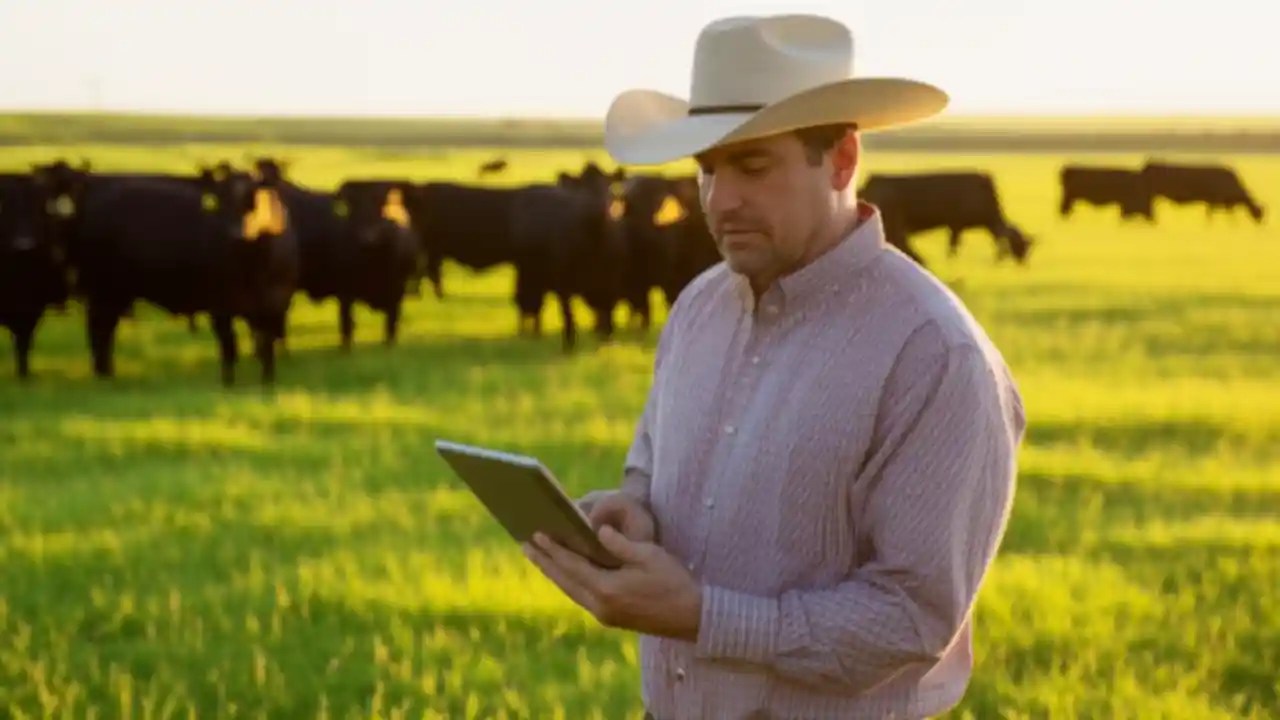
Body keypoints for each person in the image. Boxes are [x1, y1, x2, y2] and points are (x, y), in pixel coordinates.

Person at [522, 13, 1026, 720]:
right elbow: (650, 467)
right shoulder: (700, 305)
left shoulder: (935, 355)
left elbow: (910, 622)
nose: (720, 201)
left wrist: (701, 615)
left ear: (843, 160)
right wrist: (632, 512)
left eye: (753, 167)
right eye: (706, 169)